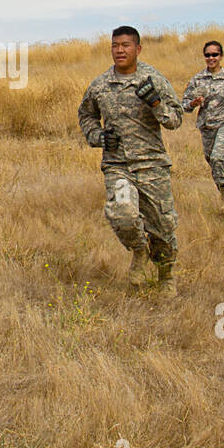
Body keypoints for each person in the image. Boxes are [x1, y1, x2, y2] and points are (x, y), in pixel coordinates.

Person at [78, 26, 183, 297]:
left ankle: (166, 275)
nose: (120, 50)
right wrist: (99, 136)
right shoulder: (100, 85)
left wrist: (156, 104)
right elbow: (86, 115)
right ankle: (139, 251)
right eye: (115, 45)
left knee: (163, 227)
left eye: (125, 45)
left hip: (152, 165)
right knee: (122, 213)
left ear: (138, 49)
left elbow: (175, 120)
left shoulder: (153, 79)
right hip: (118, 165)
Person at [183, 40, 224, 214]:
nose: (211, 58)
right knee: (214, 162)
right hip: (207, 126)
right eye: (208, 55)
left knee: (218, 156)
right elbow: (183, 105)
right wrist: (193, 102)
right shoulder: (197, 79)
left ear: (221, 56)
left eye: (215, 55)